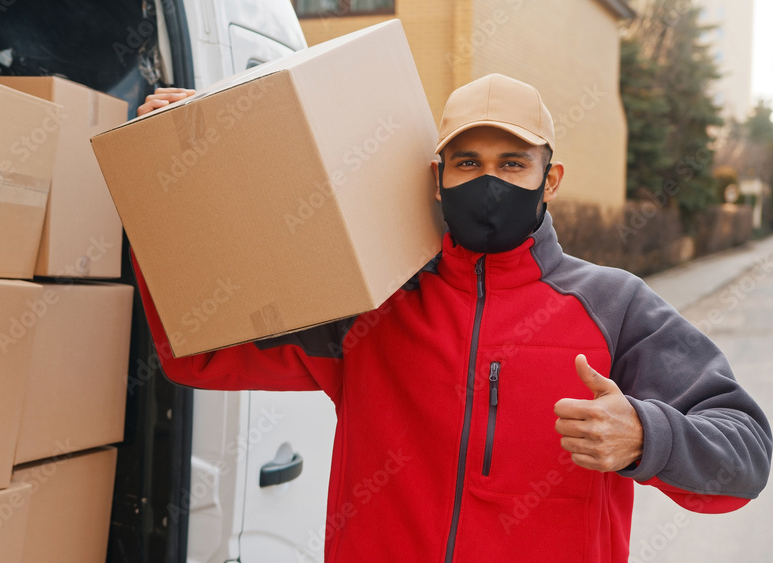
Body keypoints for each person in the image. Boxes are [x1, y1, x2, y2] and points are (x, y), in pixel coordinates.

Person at [132, 74, 771, 562]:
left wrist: (647, 436)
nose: (488, 181)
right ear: (437, 179)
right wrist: (175, 176)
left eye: (513, 163)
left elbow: (745, 455)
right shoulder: (374, 306)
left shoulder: (617, 306)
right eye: (468, 163)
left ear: (551, 180)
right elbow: (199, 352)